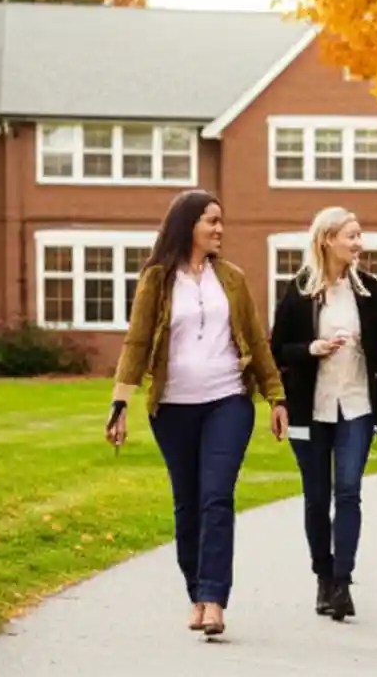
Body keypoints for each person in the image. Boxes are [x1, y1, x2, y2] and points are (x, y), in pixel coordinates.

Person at [106, 189, 289, 637]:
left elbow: (256, 342)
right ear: (189, 224)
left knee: (216, 498)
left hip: (228, 400)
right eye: (211, 221)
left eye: (221, 221)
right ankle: (196, 592)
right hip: (173, 409)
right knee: (188, 504)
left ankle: (214, 598)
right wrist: (120, 402)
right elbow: (137, 342)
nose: (219, 229)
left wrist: (276, 397)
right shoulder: (157, 280)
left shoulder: (232, 278)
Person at [270, 207, 377, 622]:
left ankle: (343, 581)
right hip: (312, 410)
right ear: (327, 239)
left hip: (356, 405)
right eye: (351, 236)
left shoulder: (371, 291)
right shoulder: (300, 290)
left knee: (348, 491)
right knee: (317, 497)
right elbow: (276, 350)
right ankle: (323, 577)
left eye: (360, 236)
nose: (358, 243)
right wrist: (311, 349)